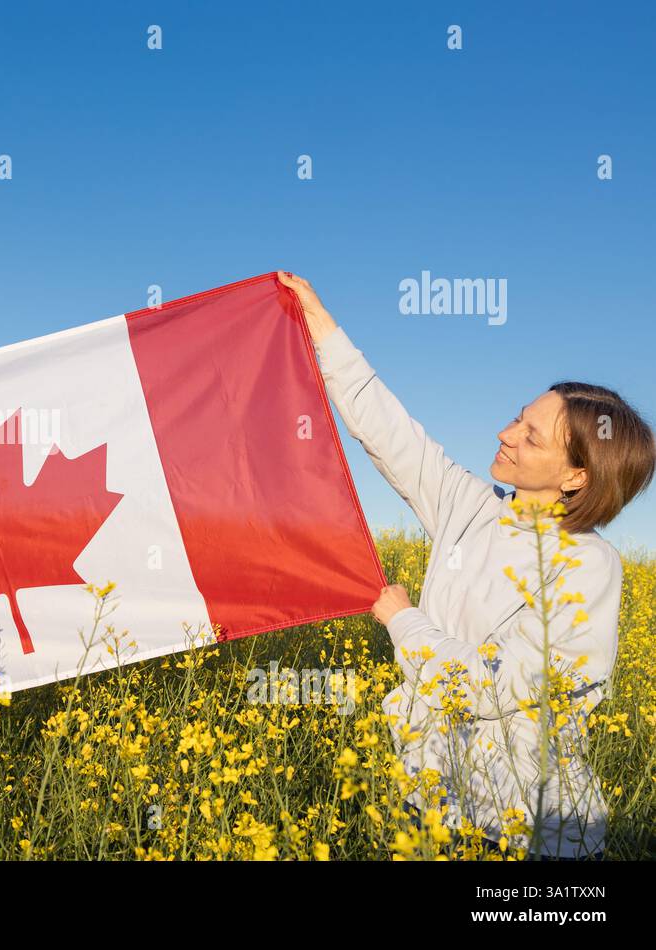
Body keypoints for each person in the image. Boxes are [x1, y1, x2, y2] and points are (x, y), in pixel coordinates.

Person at [277, 271, 655, 860]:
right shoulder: (471, 506)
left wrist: (403, 620)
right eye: (516, 417)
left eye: (531, 437)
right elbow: (389, 432)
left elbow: (492, 686)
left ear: (576, 476)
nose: (505, 434)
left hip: (524, 835)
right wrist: (320, 327)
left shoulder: (590, 568)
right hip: (427, 805)